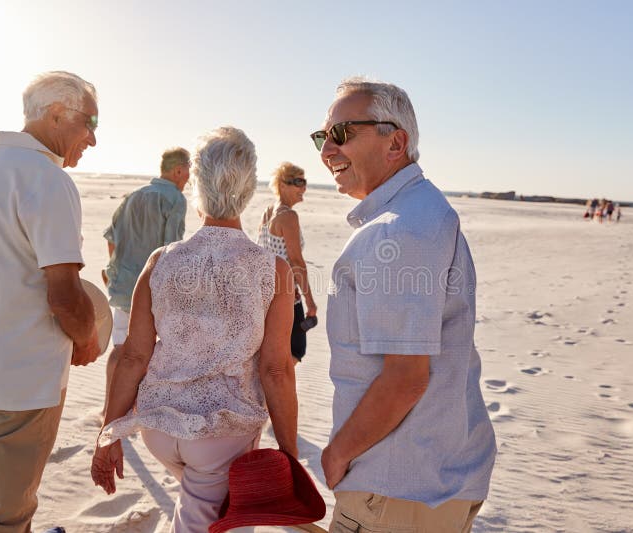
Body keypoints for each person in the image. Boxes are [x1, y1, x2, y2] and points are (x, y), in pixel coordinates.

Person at [91, 127, 299, 532]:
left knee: (197, 508)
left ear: (197, 186)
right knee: (211, 518)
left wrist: (109, 432)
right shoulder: (272, 270)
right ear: (249, 187)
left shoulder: (161, 260)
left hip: (158, 426)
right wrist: (288, 453)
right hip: (219, 432)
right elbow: (276, 369)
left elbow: (134, 355)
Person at [313, 77, 496, 532]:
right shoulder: (422, 212)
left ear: (396, 142)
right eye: (322, 137)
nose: (326, 151)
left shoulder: (397, 230)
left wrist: (337, 456)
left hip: (395, 489)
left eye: (341, 134)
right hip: (433, 480)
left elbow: (405, 379)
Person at [0, 71, 101, 532]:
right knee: (8, 504)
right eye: (90, 123)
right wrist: (87, 341)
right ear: (55, 115)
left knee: (3, 453)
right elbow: (66, 298)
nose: (92, 138)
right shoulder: (47, 180)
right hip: (21, 369)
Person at [102, 147, 190, 415]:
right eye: (188, 171)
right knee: (149, 351)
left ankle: (109, 408)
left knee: (120, 348)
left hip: (123, 285)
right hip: (152, 289)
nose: (189, 178)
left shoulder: (133, 196)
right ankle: (139, 409)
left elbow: (111, 240)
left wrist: (116, 272)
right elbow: (171, 248)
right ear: (177, 170)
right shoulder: (175, 198)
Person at [256, 162, 317, 364]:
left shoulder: (268, 212)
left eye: (304, 182)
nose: (303, 188)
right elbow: (297, 262)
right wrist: (310, 301)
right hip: (287, 297)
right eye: (298, 182)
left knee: (271, 356)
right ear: (282, 185)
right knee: (294, 352)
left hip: (266, 297)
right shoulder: (288, 216)